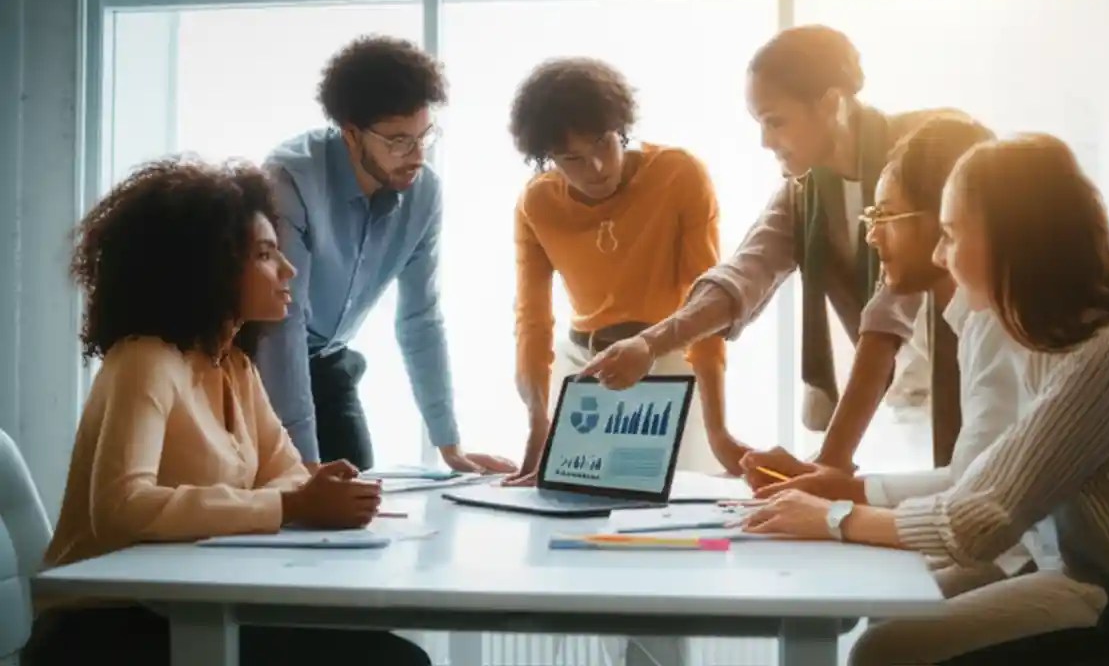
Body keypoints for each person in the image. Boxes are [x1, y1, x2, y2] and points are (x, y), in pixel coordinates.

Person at [742, 134, 1109, 664]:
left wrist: (834, 515)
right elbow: (983, 484)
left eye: (950, 234)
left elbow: (975, 523)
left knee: (885, 652)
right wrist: (841, 500)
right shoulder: (1061, 336)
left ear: (1012, 239)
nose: (938, 252)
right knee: (886, 641)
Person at [24, 158, 431, 666]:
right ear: (208, 267)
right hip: (102, 628)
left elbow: (283, 474)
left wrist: (314, 487)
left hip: (187, 606)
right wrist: (294, 506)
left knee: (384, 651)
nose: (289, 269)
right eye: (265, 255)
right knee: (390, 661)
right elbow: (121, 508)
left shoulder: (234, 365)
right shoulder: (144, 359)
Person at [582, 25, 967, 486]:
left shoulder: (918, 156)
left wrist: (830, 466)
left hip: (972, 376)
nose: (765, 141)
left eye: (775, 120)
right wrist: (649, 343)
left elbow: (886, 317)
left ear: (829, 103)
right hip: (901, 398)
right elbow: (743, 273)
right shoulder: (802, 193)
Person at [257, 35, 514, 474]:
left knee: (361, 494)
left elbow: (421, 317)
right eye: (398, 141)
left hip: (330, 361)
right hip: (263, 358)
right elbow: (284, 321)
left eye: (423, 136)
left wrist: (449, 446)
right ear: (351, 134)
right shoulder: (290, 179)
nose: (416, 156)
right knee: (294, 501)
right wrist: (305, 466)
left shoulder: (424, 192)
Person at [504, 57, 730, 484]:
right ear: (546, 157)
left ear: (621, 128)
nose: (597, 169)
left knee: (678, 508)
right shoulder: (537, 203)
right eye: (572, 158)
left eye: (603, 144)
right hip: (585, 366)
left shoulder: (678, 174)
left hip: (669, 359)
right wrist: (538, 418)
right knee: (571, 504)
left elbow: (709, 301)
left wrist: (717, 429)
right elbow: (532, 321)